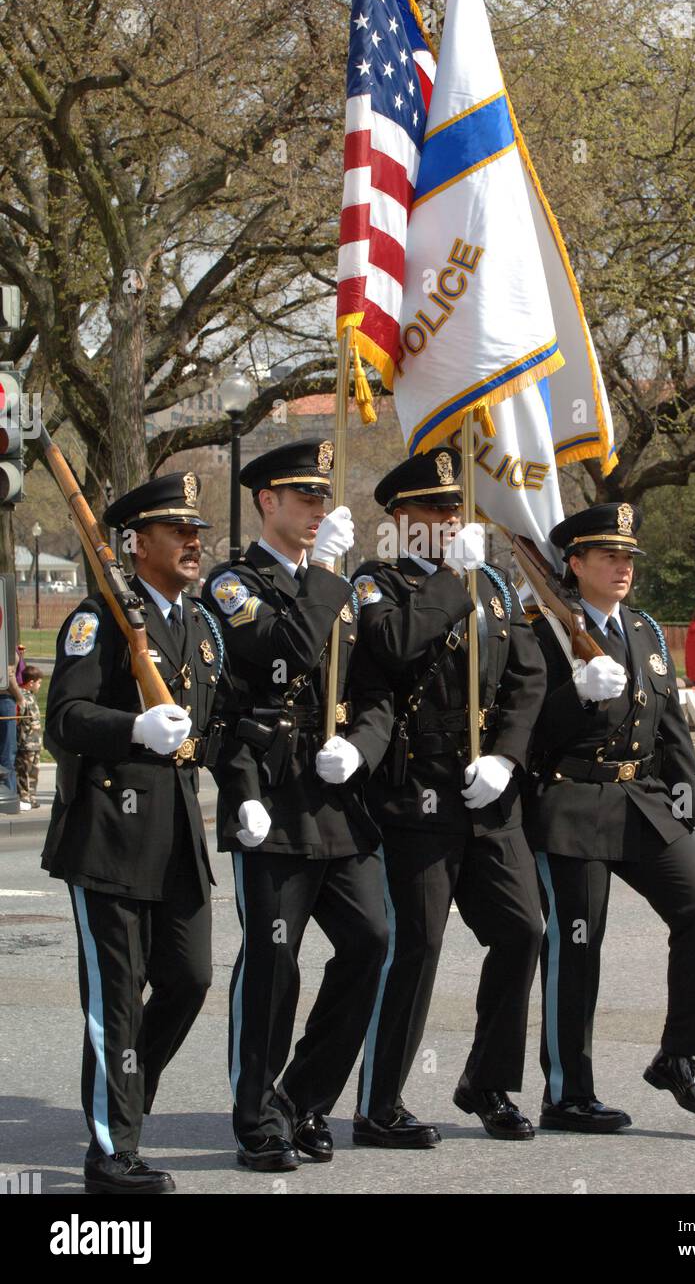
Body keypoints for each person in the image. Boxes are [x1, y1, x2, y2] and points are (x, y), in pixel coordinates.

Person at [41, 472, 235, 1195]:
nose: (193, 542)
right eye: (177, 531)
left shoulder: (196, 626)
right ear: (136, 542)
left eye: (196, 532)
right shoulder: (98, 618)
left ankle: (125, 1092)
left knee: (189, 978)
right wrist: (133, 729)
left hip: (177, 835)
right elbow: (63, 717)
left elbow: (216, 726)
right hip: (107, 841)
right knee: (116, 1000)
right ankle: (110, 1153)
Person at [203, 439, 392, 1173]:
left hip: (338, 801)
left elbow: (375, 692)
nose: (317, 509)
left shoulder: (333, 584)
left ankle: (304, 1096)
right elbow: (281, 649)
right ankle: (255, 1116)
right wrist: (321, 578)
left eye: (322, 498)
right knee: (274, 962)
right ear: (266, 502)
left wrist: (363, 747)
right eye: (303, 497)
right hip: (271, 798)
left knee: (372, 941)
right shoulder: (233, 584)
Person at [350, 447, 546, 1149]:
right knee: (418, 943)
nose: (448, 517)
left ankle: (486, 1080)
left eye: (452, 507)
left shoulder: (491, 584)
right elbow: (396, 647)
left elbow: (527, 679)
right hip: (418, 794)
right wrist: (452, 579)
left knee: (523, 928)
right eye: (433, 508)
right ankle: (379, 1102)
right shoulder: (378, 582)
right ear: (401, 518)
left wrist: (506, 758)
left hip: (487, 793)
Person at [525, 502, 695, 1132]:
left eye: (628, 557)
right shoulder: (543, 633)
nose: (622, 567)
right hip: (570, 802)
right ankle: (567, 1093)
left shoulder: (642, 630)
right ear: (574, 563)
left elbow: (672, 737)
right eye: (608, 556)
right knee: (578, 946)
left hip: (641, 802)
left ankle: (678, 1054)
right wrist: (574, 697)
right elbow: (522, 733)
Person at [14, 664, 43, 808]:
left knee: (34, 772)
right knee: (24, 772)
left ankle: (32, 796)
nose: (39, 686)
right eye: (39, 683)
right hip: (26, 742)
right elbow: (19, 719)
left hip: (36, 743)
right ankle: (24, 797)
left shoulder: (31, 697)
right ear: (31, 682)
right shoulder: (22, 697)